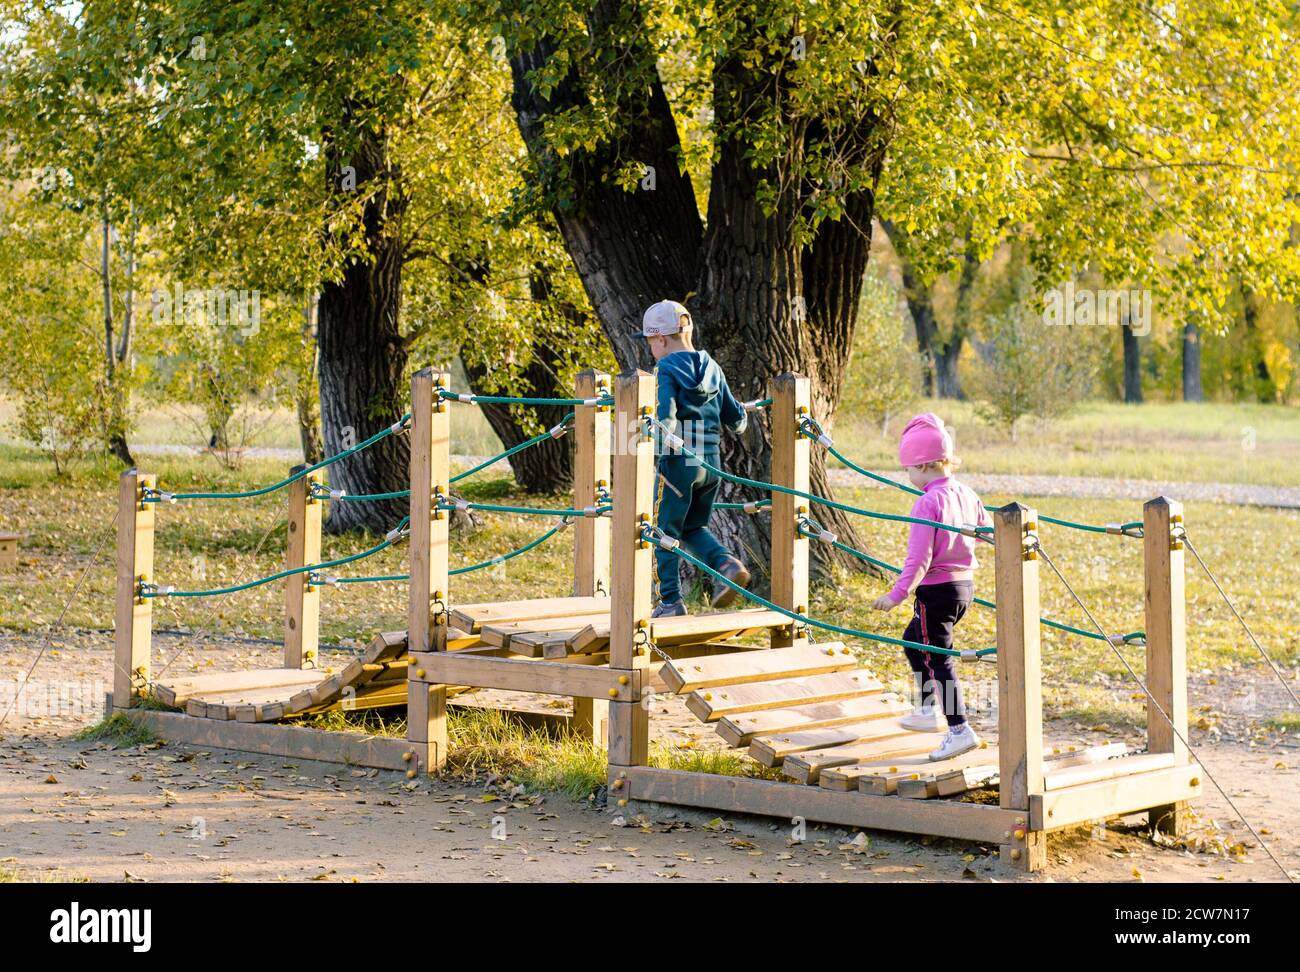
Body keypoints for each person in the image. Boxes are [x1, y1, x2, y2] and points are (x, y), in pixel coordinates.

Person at [872, 413, 992, 760]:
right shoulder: (967, 494)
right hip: (963, 588)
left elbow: (918, 560)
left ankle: (959, 729)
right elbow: (983, 532)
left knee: (939, 659)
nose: (907, 476)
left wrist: (896, 595)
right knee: (914, 641)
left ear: (923, 464)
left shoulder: (927, 503)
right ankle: (926, 710)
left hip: (936, 590)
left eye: (908, 469)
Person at [642, 299, 751, 618]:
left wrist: (651, 446)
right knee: (691, 527)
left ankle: (670, 601)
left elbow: (665, 419)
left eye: (651, 342)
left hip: (679, 465)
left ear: (660, 339)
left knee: (661, 530)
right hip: (710, 464)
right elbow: (737, 419)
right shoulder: (713, 367)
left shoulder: (665, 369)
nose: (652, 349)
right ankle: (726, 564)